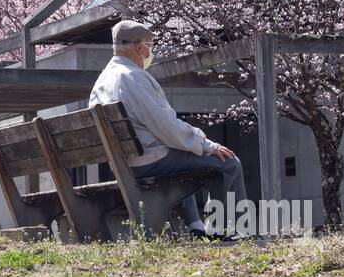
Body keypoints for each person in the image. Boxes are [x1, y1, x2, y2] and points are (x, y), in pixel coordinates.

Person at [89, 20, 247, 239]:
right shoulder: (133, 77)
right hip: (149, 161)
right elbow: (167, 127)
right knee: (228, 162)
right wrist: (207, 144)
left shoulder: (102, 81)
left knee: (182, 152)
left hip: (125, 163)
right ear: (138, 47)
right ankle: (224, 229)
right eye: (149, 45)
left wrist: (193, 145)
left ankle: (196, 227)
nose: (151, 51)